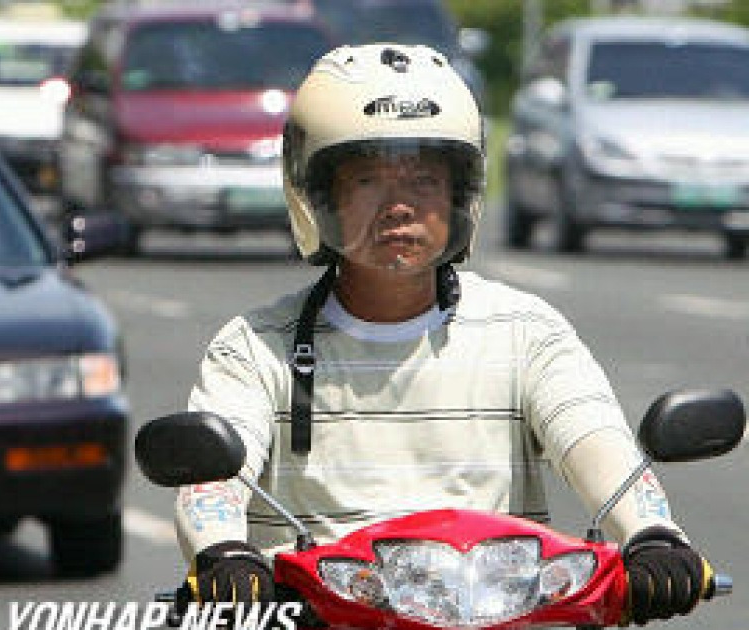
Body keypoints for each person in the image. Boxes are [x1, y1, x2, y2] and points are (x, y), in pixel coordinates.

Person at [175, 44, 709, 626]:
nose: (399, 206)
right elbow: (214, 479)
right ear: (319, 195)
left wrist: (653, 535)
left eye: (425, 180)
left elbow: (595, 438)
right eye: (368, 180)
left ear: (461, 195)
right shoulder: (254, 347)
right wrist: (223, 553)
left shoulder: (526, 331)